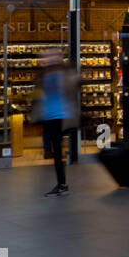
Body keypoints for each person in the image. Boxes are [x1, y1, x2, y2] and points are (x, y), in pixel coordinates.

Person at [35, 49, 79, 197]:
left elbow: (75, 86)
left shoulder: (64, 74)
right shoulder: (44, 75)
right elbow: (37, 94)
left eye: (53, 57)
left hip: (61, 116)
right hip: (49, 116)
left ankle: (62, 184)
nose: (50, 59)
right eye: (48, 57)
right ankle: (61, 183)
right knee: (56, 150)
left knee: (57, 151)